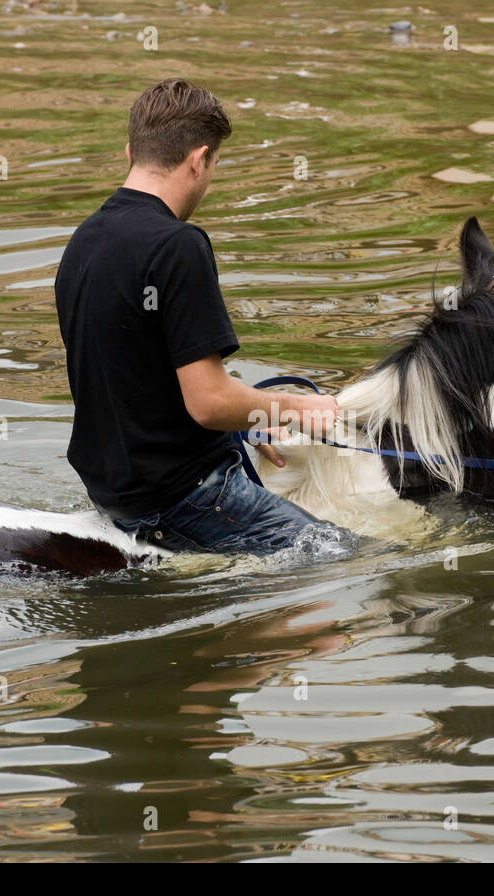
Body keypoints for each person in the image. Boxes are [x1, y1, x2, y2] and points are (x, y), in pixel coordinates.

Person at [55, 78, 340, 556]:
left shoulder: (84, 239)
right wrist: (302, 409)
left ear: (130, 151)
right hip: (181, 496)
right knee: (342, 558)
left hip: (112, 489)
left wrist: (247, 421)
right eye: (214, 164)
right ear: (198, 159)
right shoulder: (178, 246)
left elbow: (131, 382)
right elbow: (207, 402)